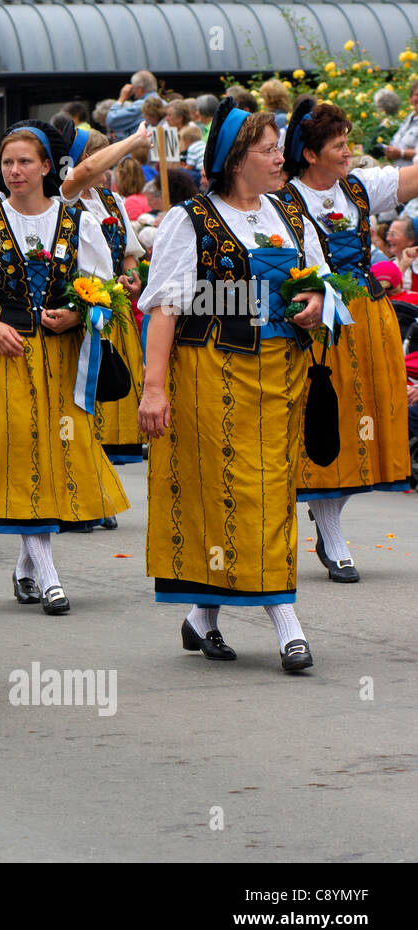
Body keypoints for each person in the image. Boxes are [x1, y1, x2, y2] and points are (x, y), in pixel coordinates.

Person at [138, 98, 327, 672]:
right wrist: (154, 386)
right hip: (213, 369)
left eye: (278, 148)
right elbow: (166, 306)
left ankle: (204, 616)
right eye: (268, 149)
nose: (280, 158)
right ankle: (285, 620)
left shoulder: (290, 216)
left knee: (268, 488)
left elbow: (323, 286)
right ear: (236, 158)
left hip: (285, 373)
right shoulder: (189, 220)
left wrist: (318, 303)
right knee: (235, 491)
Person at [0, 120, 126, 614]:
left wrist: (77, 313)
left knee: (57, 452)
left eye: (25, 161)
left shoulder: (76, 220)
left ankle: (26, 566)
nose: (15, 170)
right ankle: (47, 573)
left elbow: (104, 291)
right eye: (7, 162)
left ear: (47, 167)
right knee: (21, 450)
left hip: (63, 354)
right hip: (5, 353)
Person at [278, 99, 418, 581]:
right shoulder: (282, 200)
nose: (348, 152)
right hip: (319, 322)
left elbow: (413, 177)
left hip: (370, 319)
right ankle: (332, 534)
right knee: (327, 422)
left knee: (367, 422)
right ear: (311, 154)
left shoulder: (358, 188)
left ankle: (329, 520)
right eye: (339, 146)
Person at [62, 127, 150, 503]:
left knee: (108, 396)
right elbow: (77, 177)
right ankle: (83, 486)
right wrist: (131, 141)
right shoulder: (62, 196)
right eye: (105, 156)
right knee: (81, 397)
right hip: (79, 313)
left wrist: (132, 279)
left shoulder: (111, 202)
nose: (111, 165)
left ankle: (98, 485)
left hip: (112, 311)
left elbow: (129, 256)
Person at [107, 70, 160, 140]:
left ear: (140, 89)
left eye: (134, 87)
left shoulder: (142, 105)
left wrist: (121, 99)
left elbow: (111, 120)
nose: (133, 91)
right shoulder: (164, 103)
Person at [385, 82, 418, 168]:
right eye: (417, 94)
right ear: (410, 99)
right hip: (399, 172)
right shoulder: (408, 119)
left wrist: (401, 153)